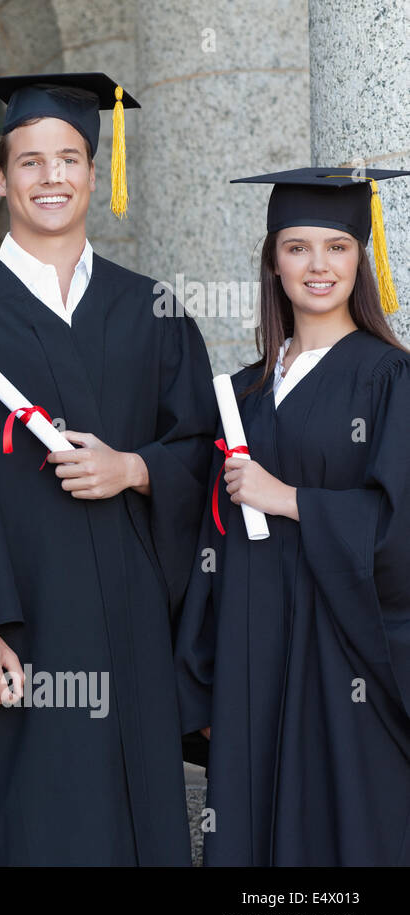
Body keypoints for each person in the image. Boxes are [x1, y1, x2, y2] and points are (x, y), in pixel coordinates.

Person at [0, 73, 218, 865]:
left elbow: (207, 449)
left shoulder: (153, 311)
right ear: (1, 179)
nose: (51, 177)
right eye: (29, 162)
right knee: (28, 822)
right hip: (17, 629)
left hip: (132, 627)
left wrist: (136, 468)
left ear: (95, 174)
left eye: (69, 158)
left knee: (136, 821)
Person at [175, 167, 410, 865]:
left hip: (345, 656)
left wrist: (289, 500)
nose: (318, 266)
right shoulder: (245, 391)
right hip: (253, 651)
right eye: (298, 247)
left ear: (362, 261)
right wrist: (207, 669)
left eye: (337, 247)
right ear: (273, 261)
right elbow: (208, 544)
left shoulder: (389, 378)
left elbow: (402, 530)